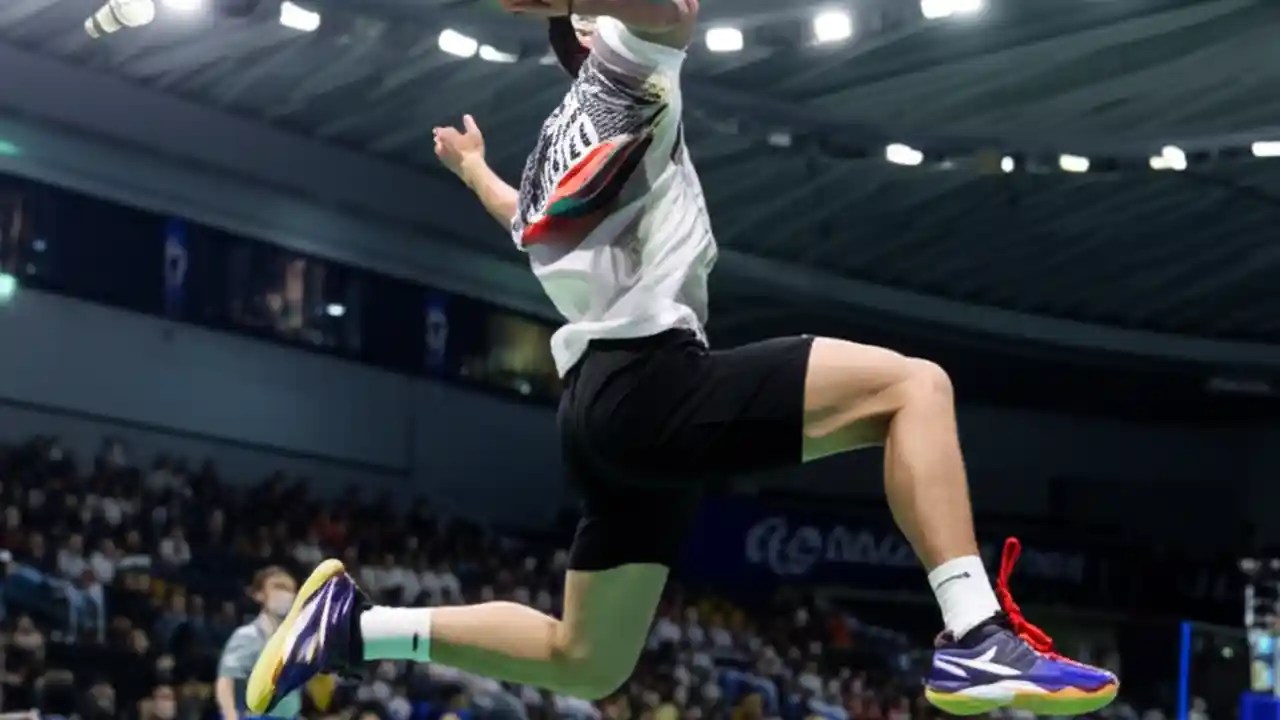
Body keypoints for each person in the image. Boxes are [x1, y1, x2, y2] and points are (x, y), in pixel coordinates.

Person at [247, 0, 1118, 716]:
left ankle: (356, 629)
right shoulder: (627, 69)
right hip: (653, 382)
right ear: (587, 24)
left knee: (586, 661)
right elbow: (670, 11)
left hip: (598, 412)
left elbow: (522, 224)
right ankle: (973, 634)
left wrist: (473, 168)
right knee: (913, 388)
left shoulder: (562, 143)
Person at [219, 566, 300, 720]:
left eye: (290, 590)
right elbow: (226, 681)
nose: (284, 595)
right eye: (278, 587)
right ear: (259, 595)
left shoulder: (294, 641)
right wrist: (230, 716)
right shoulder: (248, 636)